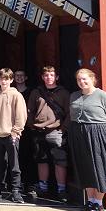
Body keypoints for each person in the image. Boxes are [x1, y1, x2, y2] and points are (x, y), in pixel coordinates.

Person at [68, 69, 106, 211]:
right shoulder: (74, 96)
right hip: (79, 135)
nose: (82, 82)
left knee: (100, 167)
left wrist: (105, 135)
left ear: (93, 79)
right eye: (79, 79)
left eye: (85, 79)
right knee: (85, 168)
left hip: (99, 134)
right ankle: (90, 201)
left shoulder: (103, 96)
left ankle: (98, 203)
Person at [27, 66, 71, 202]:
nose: (49, 78)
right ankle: (43, 187)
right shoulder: (36, 92)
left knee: (60, 162)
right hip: (39, 131)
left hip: (56, 131)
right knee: (42, 160)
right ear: (42, 77)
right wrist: (32, 125)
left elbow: (70, 113)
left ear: (56, 77)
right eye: (46, 75)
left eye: (52, 75)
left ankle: (61, 190)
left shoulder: (64, 93)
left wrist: (63, 129)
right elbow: (29, 110)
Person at [0, 68, 28, 203]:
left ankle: (15, 190)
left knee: (14, 164)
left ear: (11, 80)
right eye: (1, 78)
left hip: (11, 134)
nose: (3, 81)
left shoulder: (16, 95)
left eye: (6, 78)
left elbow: (21, 115)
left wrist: (16, 131)